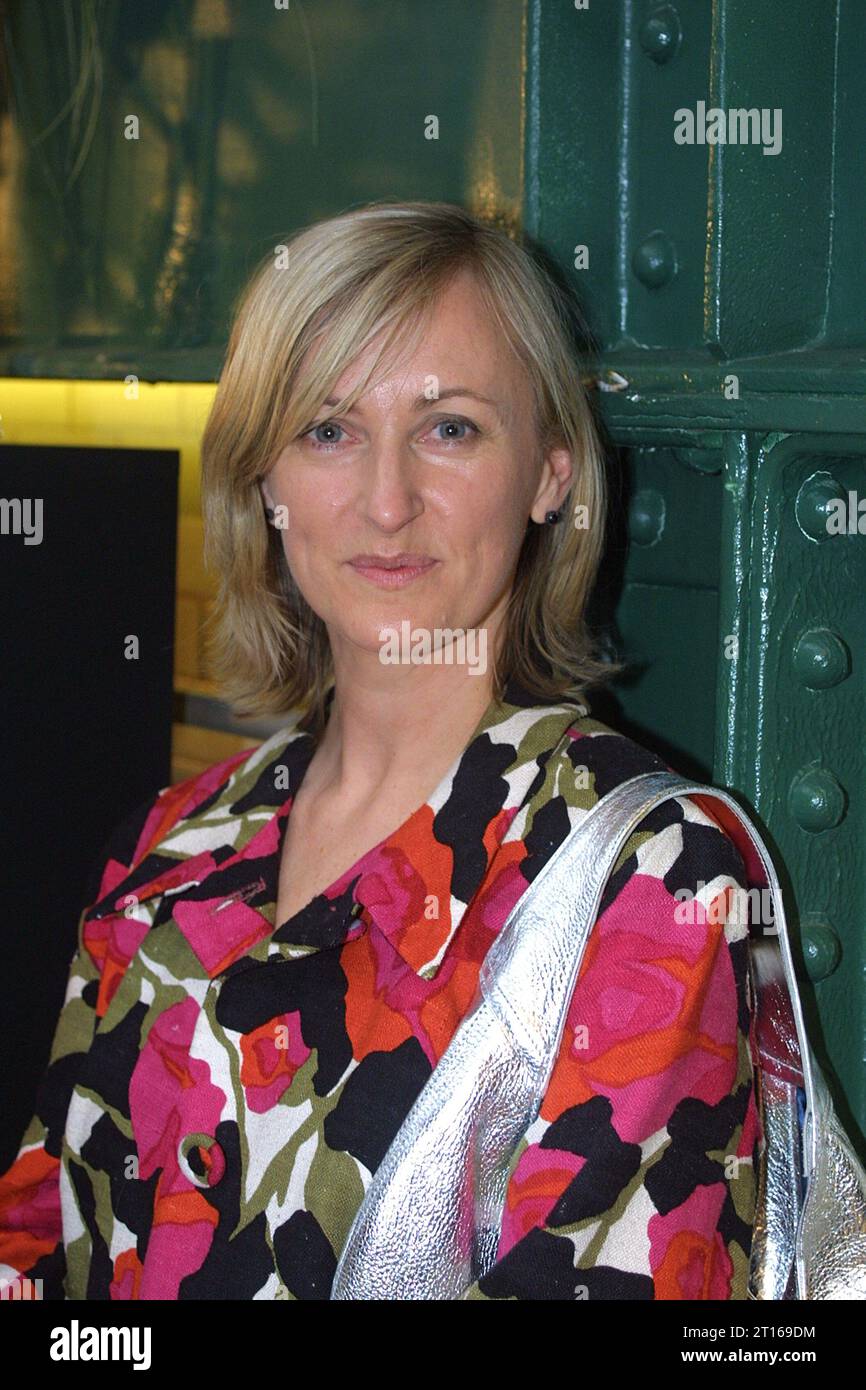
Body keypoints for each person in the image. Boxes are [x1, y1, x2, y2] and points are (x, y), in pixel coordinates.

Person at [0, 200, 760, 1300]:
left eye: (448, 427)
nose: (385, 500)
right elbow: (45, 1228)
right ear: (265, 480)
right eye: (327, 429)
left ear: (549, 471)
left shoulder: (643, 876)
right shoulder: (170, 847)